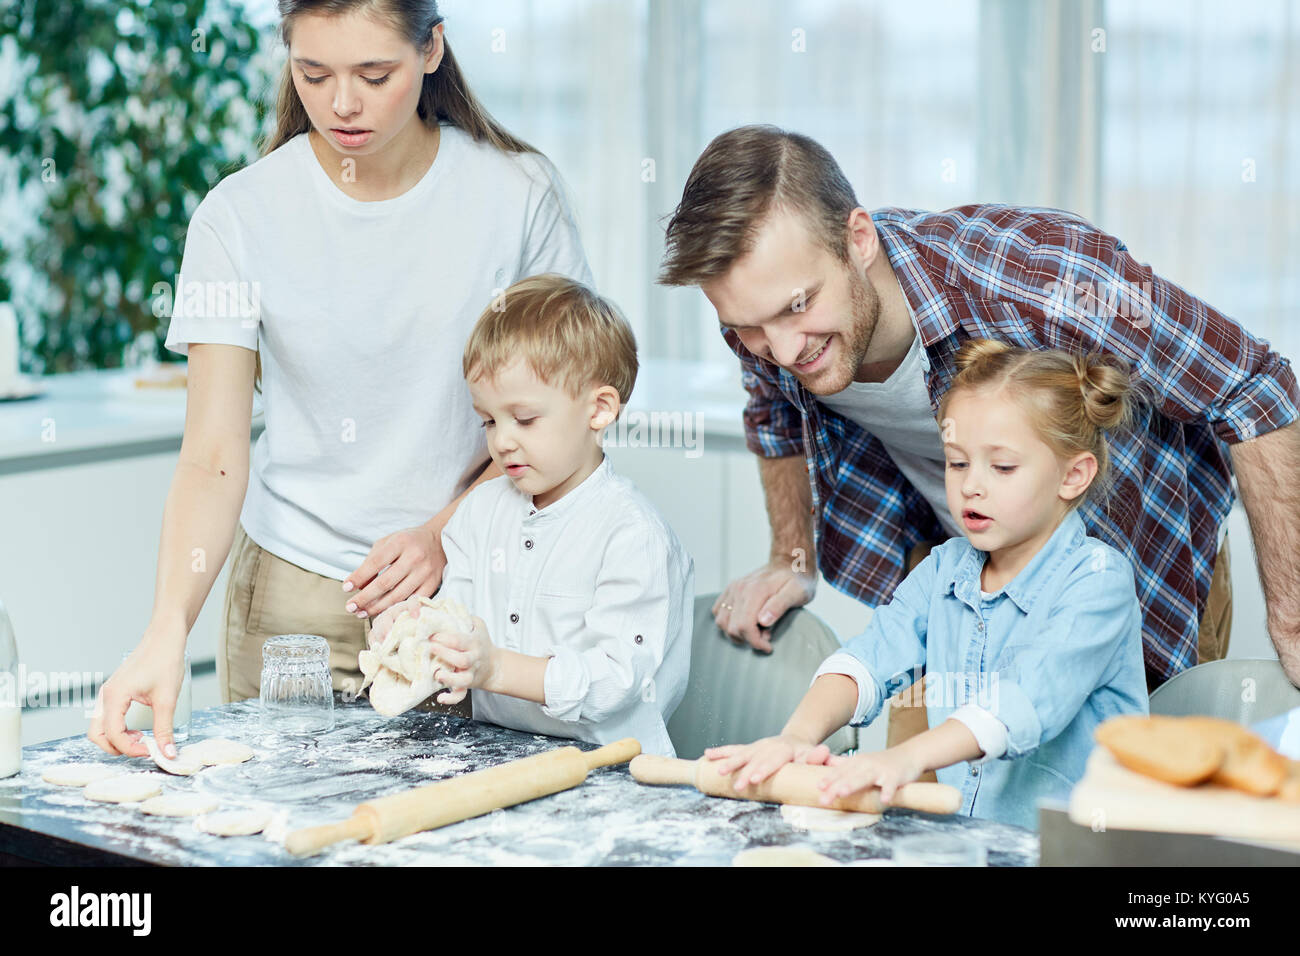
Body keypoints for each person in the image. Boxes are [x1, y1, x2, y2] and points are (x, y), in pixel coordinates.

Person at [657, 125, 1300, 766]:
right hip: (963, 574)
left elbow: (1255, 389)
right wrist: (790, 556)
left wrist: (1293, 617)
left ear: (858, 240)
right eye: (746, 329)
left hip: (1139, 559)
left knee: (1116, 804)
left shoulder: (1044, 280)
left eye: (799, 306)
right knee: (925, 821)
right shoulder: (764, 323)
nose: (785, 350)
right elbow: (772, 412)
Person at [89, 0, 590, 760]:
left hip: (475, 589)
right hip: (296, 600)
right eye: (313, 73)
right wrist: (166, 627)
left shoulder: (516, 196)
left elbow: (564, 415)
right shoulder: (238, 217)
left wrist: (441, 534)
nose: (342, 104)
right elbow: (212, 453)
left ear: (432, 51)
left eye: (374, 73)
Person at [705, 338, 1150, 830]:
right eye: (957, 462)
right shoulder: (944, 569)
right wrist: (797, 737)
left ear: (1073, 475)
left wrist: (904, 758)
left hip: (1080, 852)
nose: (970, 485)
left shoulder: (1096, 582)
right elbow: (869, 658)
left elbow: (1021, 701)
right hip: (973, 847)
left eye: (1001, 466)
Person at [368, 275, 694, 756]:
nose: (501, 441)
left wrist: (498, 669)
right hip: (498, 755)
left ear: (600, 409)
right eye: (489, 420)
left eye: (524, 419)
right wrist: (411, 630)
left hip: (611, 773)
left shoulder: (631, 534)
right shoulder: (480, 512)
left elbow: (617, 679)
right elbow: (457, 624)